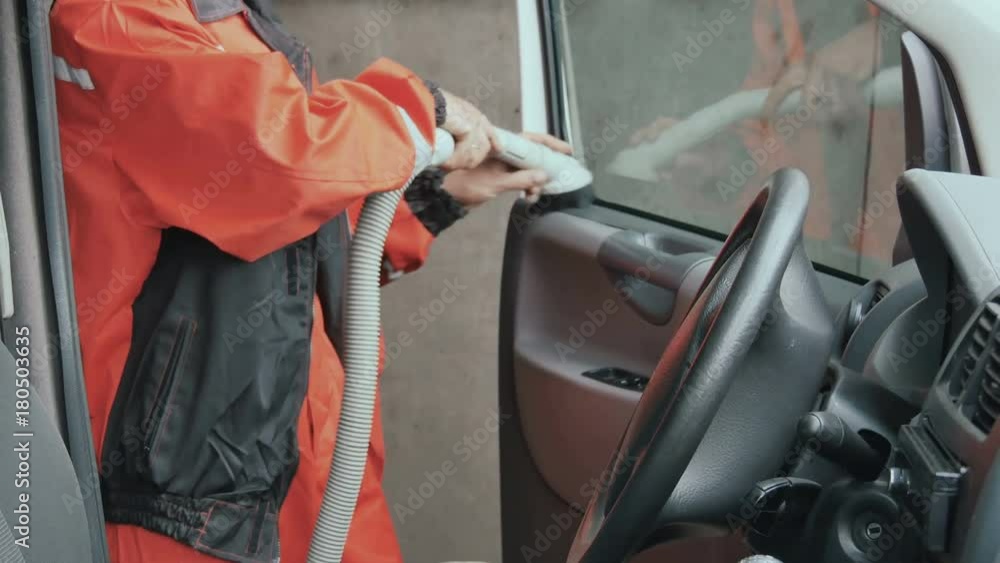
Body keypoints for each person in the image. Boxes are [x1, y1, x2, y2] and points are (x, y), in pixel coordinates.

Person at [49, 0, 569, 562]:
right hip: (186, 497)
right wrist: (422, 107)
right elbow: (276, 160)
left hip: (307, 451)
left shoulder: (231, 19)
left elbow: (294, 234)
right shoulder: (114, 20)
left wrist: (432, 196)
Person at [627, 0, 903, 270]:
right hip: (810, 261)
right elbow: (766, 118)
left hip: (905, 258)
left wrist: (891, 38)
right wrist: (723, 158)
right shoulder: (771, 11)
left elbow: (942, 32)